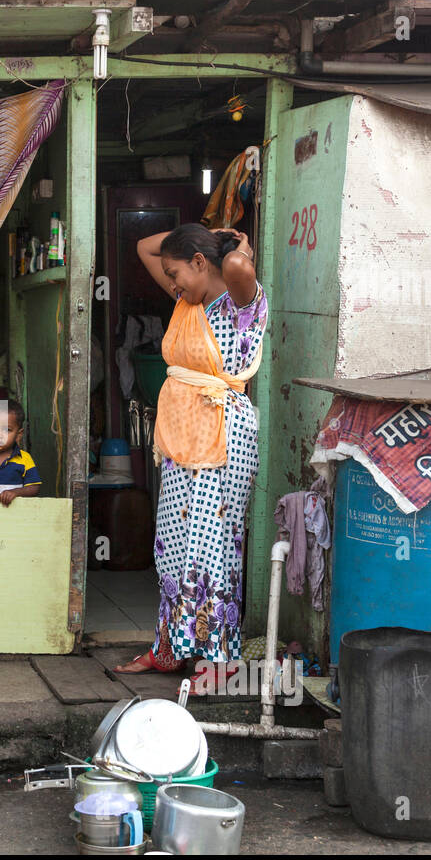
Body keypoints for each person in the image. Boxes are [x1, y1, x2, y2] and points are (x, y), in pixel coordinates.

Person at [114, 224, 267, 678]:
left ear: (201, 262)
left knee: (212, 548)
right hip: (182, 438)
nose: (172, 282)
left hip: (223, 436)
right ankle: (169, 648)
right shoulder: (187, 301)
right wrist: (206, 232)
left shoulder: (241, 301)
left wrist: (235, 245)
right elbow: (143, 246)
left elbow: (237, 264)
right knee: (175, 547)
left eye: (176, 272)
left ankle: (218, 665)